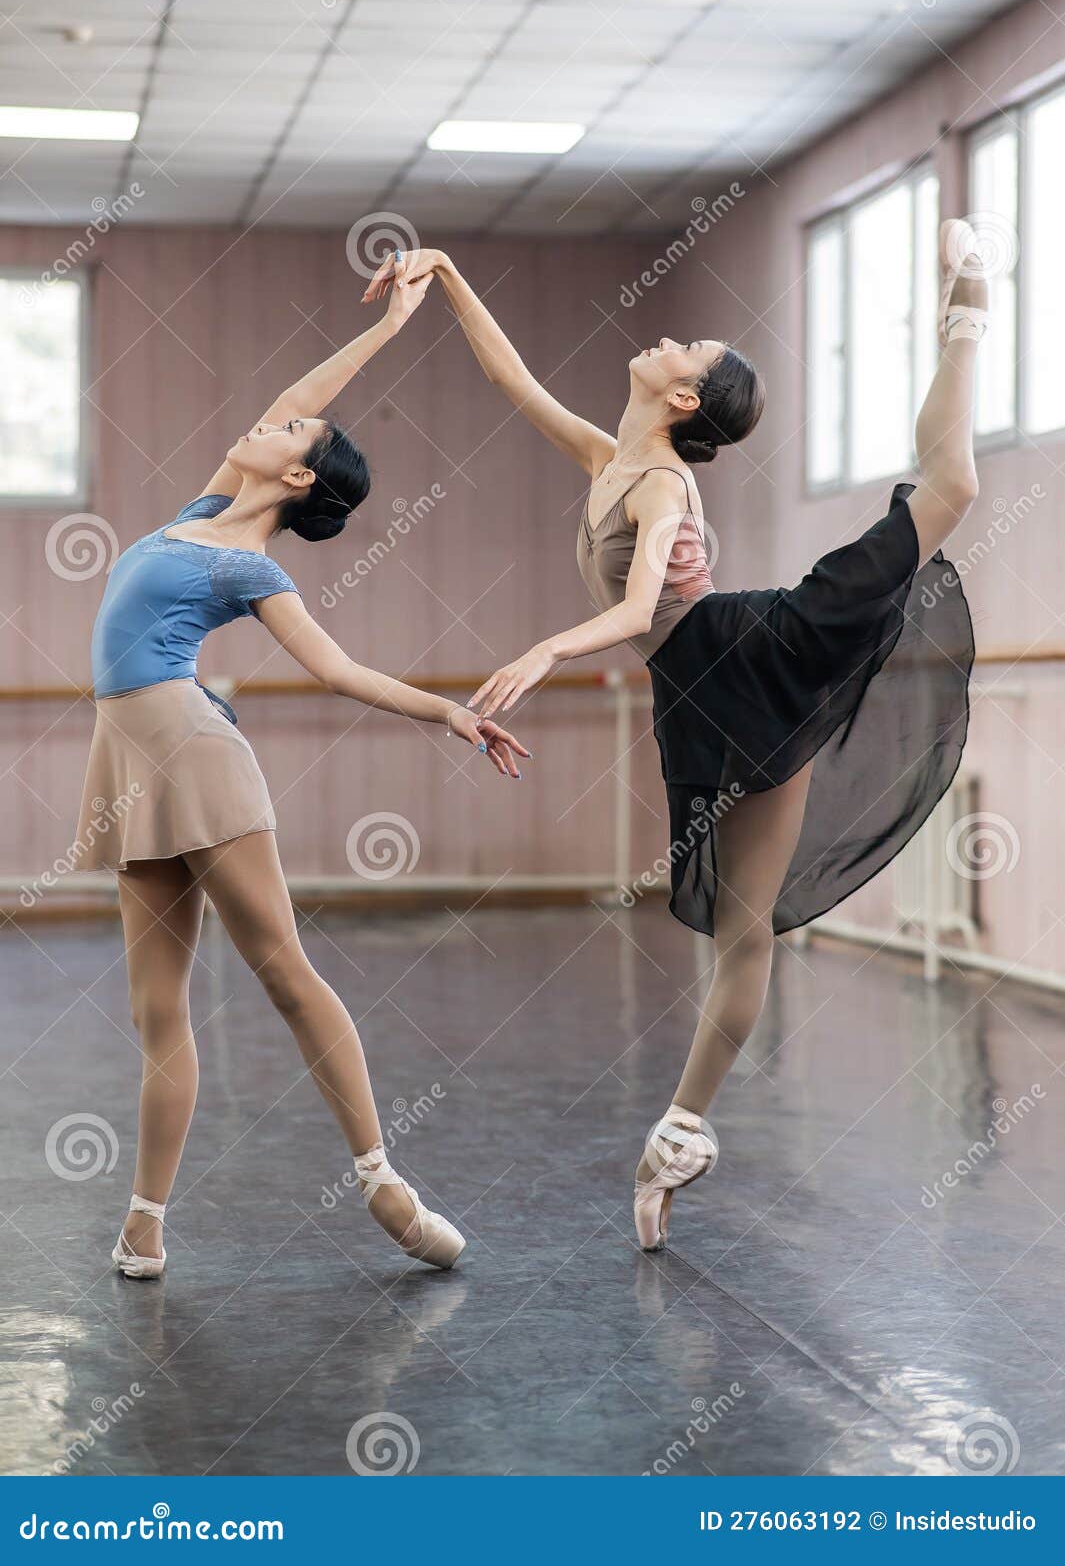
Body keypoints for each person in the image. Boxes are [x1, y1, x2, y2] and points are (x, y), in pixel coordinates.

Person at [362, 222, 985, 1252]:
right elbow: (515, 382)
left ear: (685, 398)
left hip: (756, 649)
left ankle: (967, 311)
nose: (669, 341)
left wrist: (551, 647)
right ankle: (680, 1135)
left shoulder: (658, 483)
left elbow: (641, 600)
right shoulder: (612, 456)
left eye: (687, 350)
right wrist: (452, 275)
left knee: (947, 492)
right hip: (702, 691)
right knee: (742, 935)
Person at [73, 256, 529, 1278]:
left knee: (282, 970)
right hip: (130, 764)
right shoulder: (201, 512)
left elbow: (337, 669)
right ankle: (144, 1221)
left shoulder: (251, 565)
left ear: (295, 480)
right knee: (158, 1010)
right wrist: (393, 325)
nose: (272, 419)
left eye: (287, 438)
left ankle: (381, 1177)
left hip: (198, 757)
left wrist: (452, 714)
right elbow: (299, 401)